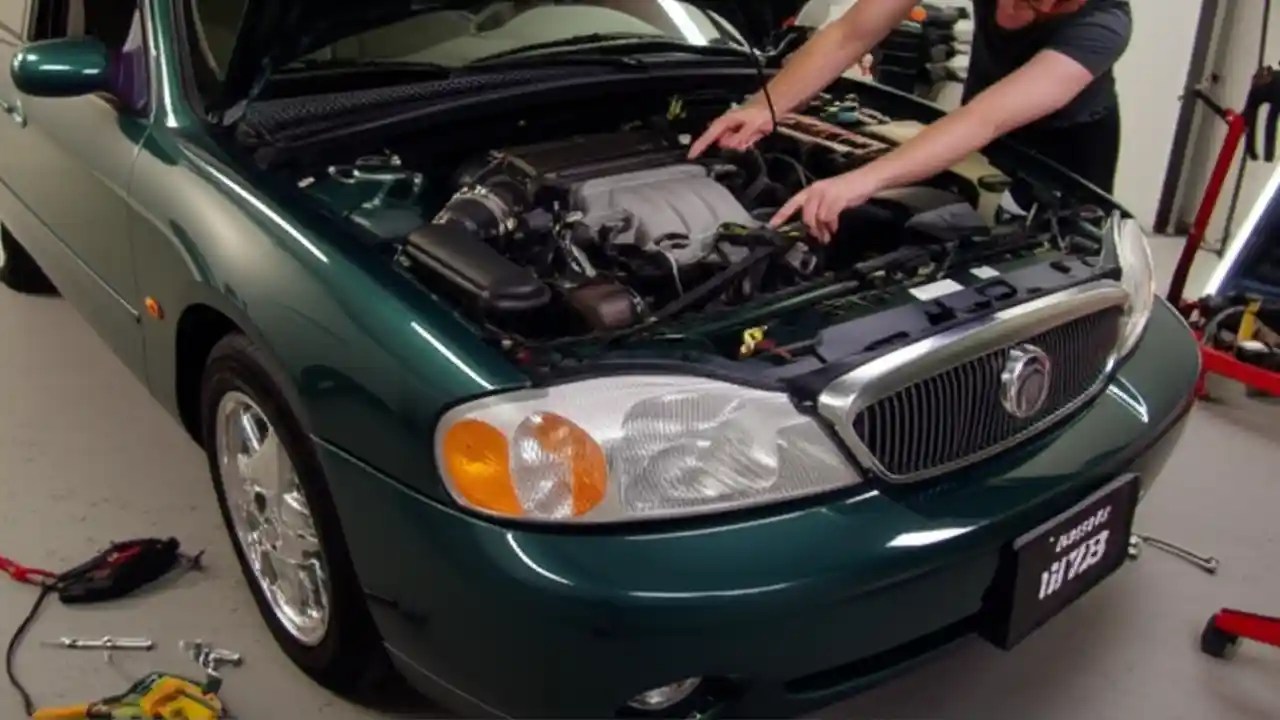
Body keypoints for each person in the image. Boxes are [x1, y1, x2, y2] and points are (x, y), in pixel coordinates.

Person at [688, 0, 1133, 243]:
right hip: (986, 129)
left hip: (1066, 151)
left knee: (1056, 250)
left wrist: (857, 182)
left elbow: (984, 119)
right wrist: (763, 106)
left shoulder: (1105, 23)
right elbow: (851, 33)